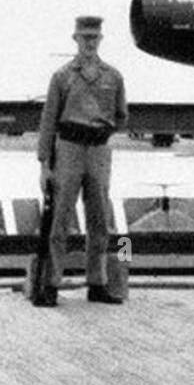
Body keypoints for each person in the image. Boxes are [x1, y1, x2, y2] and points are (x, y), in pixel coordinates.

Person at [35, 15, 128, 307]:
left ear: (100, 40)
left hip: (98, 150)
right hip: (69, 149)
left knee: (99, 219)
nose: (89, 42)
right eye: (84, 37)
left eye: (94, 38)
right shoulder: (62, 77)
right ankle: (50, 284)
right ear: (75, 39)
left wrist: (104, 131)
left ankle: (97, 283)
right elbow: (48, 122)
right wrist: (45, 165)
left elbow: (122, 116)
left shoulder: (113, 77)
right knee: (60, 219)